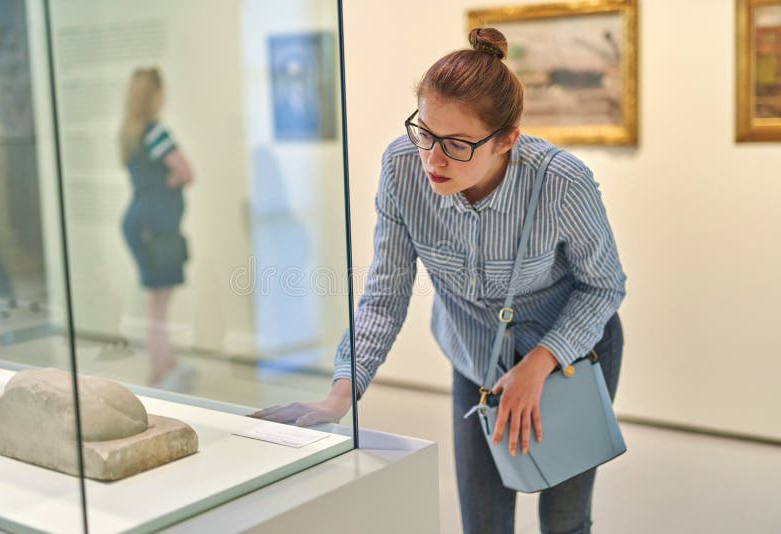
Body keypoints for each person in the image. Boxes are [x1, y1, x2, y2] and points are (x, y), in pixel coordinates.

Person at [253, 28, 626, 534]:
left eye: (455, 144)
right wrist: (340, 393)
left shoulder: (561, 181)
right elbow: (385, 296)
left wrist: (538, 365)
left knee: (563, 517)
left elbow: (603, 286)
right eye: (425, 133)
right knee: (483, 518)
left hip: (571, 353)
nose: (433, 159)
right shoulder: (403, 170)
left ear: (507, 140)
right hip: (477, 354)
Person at [118, 67, 195, 389]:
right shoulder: (156, 133)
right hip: (156, 227)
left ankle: (164, 360)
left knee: (157, 297)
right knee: (159, 300)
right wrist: (173, 180)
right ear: (156, 94)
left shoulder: (130, 133)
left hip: (139, 222)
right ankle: (159, 367)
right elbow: (187, 171)